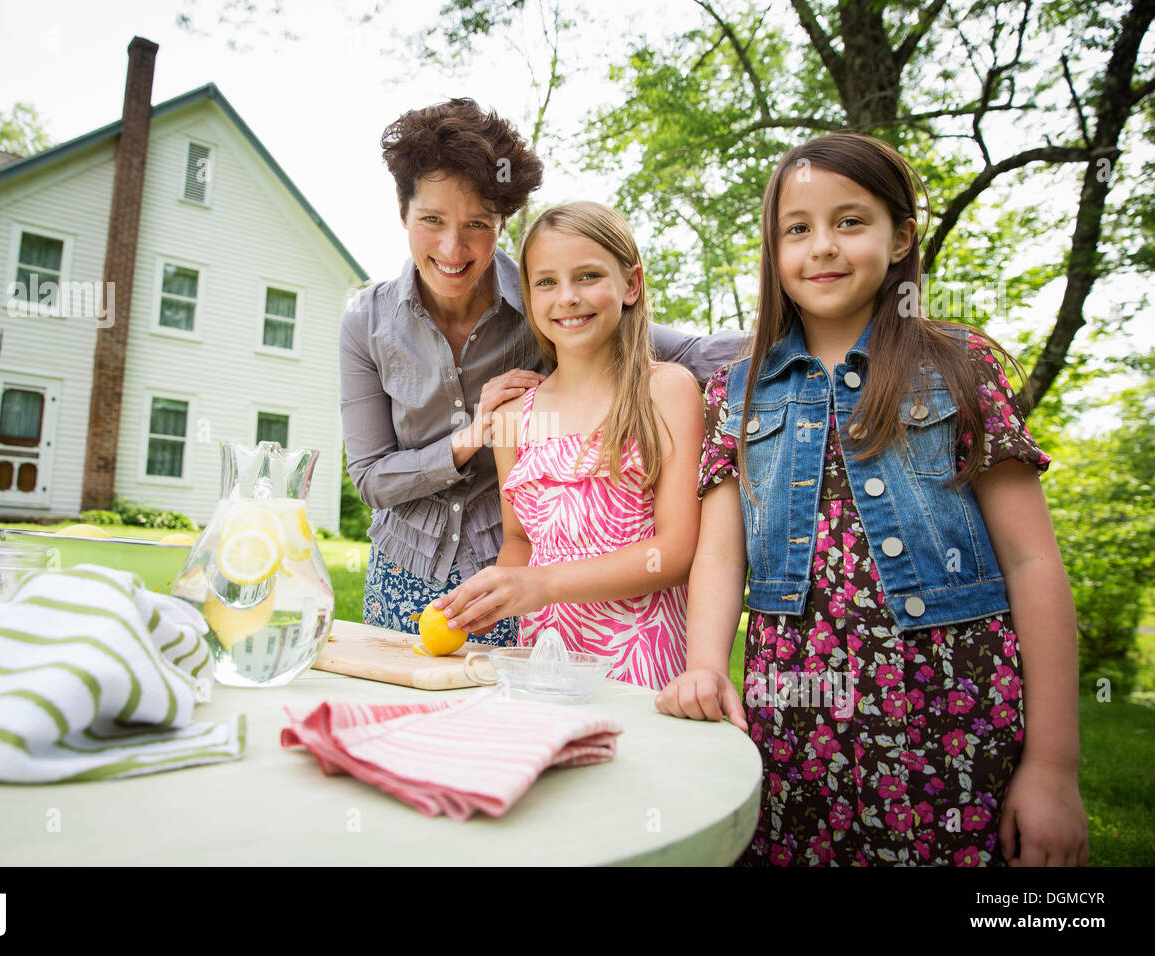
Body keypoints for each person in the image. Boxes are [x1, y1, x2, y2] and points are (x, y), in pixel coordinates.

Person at [656, 132, 1088, 867]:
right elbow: (722, 554)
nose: (822, 246)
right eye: (798, 228)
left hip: (953, 718)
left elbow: (1033, 561)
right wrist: (704, 665)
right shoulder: (736, 391)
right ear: (774, 248)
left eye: (850, 221)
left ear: (901, 239)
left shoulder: (957, 367)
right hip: (792, 722)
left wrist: (1053, 769)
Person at [340, 99, 745, 646]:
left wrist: (806, 321)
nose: (453, 248)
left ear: (501, 224)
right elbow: (369, 477)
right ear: (402, 210)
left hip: (519, 580)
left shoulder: (545, 304)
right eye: (431, 219)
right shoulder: (366, 322)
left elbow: (680, 348)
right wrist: (469, 438)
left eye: (477, 225)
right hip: (408, 564)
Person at [434, 202, 703, 690]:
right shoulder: (515, 415)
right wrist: (490, 600)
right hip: (546, 660)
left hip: (642, 664)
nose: (568, 297)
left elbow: (677, 550)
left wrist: (539, 584)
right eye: (547, 282)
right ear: (530, 296)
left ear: (631, 284)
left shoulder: (665, 391)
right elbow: (519, 541)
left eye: (588, 276)